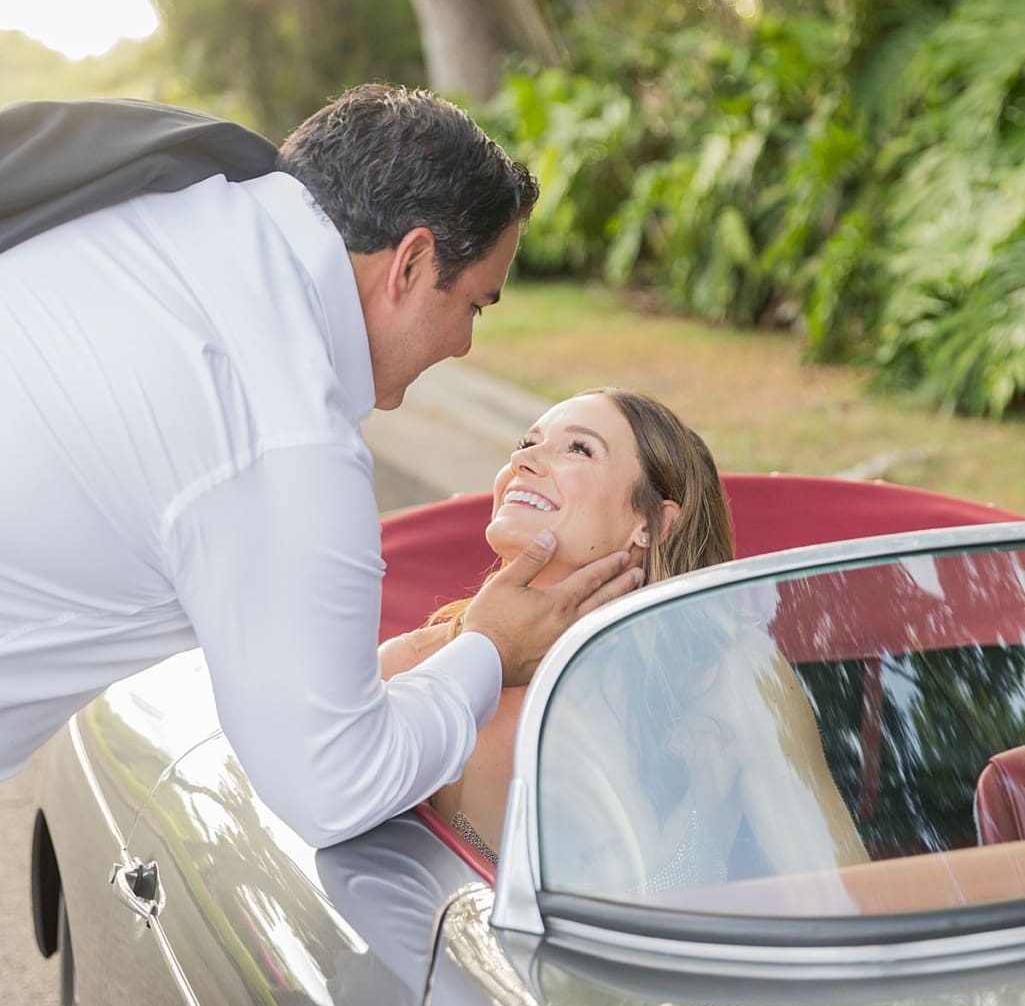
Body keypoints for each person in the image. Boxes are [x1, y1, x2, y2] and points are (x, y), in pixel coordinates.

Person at [0, 85, 642, 846]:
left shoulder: (162, 205)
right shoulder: (282, 434)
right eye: (474, 304)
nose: (465, 345)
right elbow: (336, 785)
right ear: (410, 263)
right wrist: (490, 650)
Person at [381, 388, 868, 882]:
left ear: (652, 522)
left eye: (578, 448)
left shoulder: (733, 676)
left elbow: (844, 896)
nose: (523, 459)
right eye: (527, 443)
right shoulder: (409, 670)